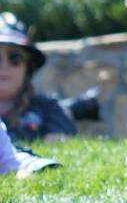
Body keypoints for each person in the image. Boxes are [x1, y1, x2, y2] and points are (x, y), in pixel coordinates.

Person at [0, 11, 76, 146]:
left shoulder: (50, 109)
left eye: (15, 58)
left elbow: (59, 150)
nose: (4, 65)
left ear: (27, 67)